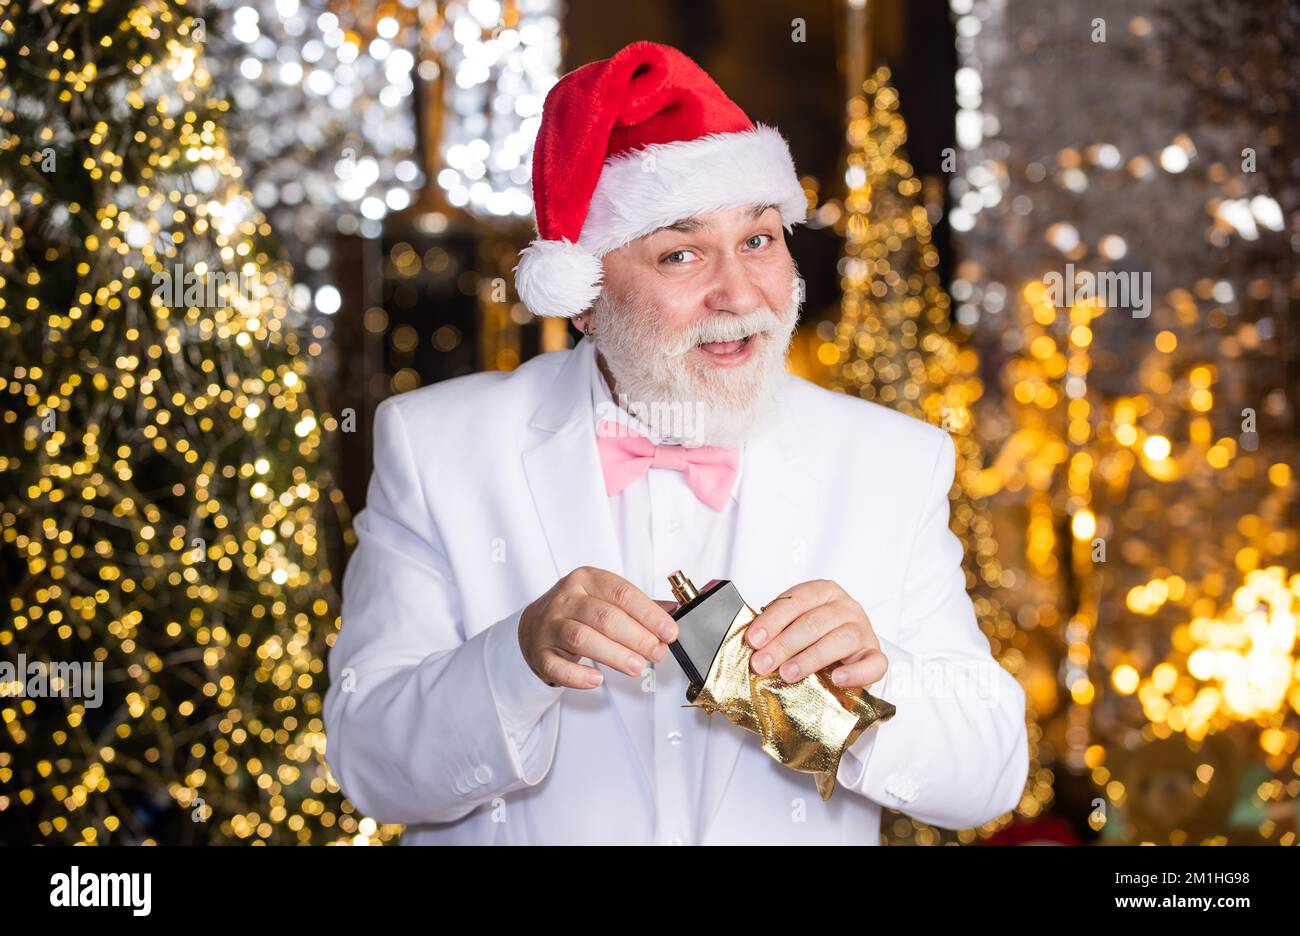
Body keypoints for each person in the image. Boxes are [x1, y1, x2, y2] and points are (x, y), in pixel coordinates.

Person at [323, 40, 1029, 845]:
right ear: (585, 296)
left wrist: (869, 686)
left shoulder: (892, 461)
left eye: (759, 239)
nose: (738, 293)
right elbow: (366, 762)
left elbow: (990, 775)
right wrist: (515, 659)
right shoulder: (437, 445)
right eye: (681, 253)